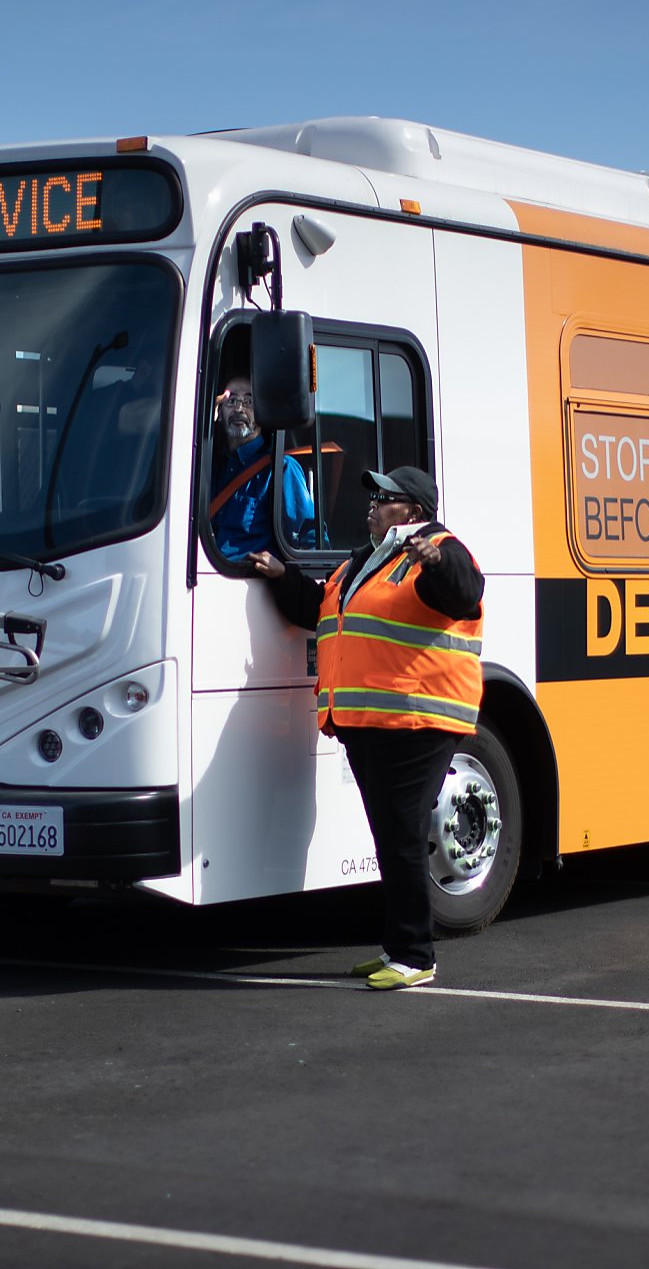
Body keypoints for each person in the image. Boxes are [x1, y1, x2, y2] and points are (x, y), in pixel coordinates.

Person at [249, 465, 484, 990]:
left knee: (401, 836)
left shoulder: (438, 549)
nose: (372, 506)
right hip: (371, 722)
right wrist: (282, 576)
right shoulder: (365, 561)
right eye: (373, 498)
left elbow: (465, 592)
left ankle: (416, 956)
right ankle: (398, 947)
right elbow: (321, 610)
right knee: (390, 838)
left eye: (385, 499)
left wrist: (436, 560)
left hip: (418, 720)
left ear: (414, 511)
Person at [211, 375, 314, 561]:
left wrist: (284, 573)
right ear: (219, 412)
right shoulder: (209, 467)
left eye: (249, 402)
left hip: (245, 577)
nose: (239, 409)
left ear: (263, 412)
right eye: (231, 401)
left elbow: (311, 542)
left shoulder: (281, 468)